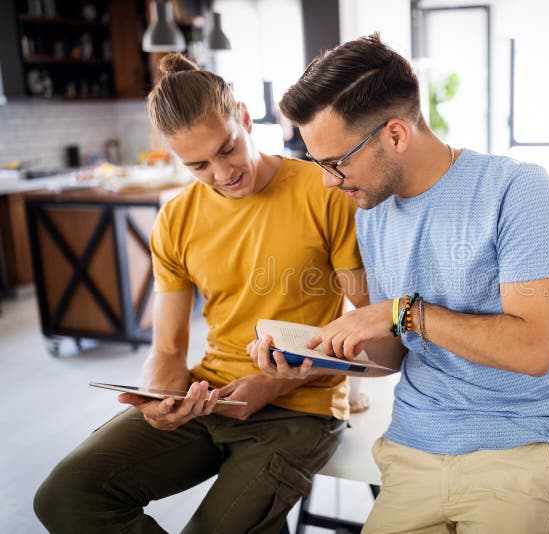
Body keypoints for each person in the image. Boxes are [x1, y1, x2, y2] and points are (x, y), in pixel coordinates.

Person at [250, 34, 549, 533]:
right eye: (318, 164)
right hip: (412, 450)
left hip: (514, 453)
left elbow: (534, 351)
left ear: (396, 135)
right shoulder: (373, 214)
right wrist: (318, 360)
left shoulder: (517, 190)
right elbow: (395, 355)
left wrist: (405, 311)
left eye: (336, 162)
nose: (327, 182)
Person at [34, 53, 367, 533]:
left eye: (228, 149)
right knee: (66, 496)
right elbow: (167, 348)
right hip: (209, 394)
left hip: (300, 409)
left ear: (247, 119)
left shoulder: (325, 192)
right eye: (198, 165)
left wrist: (273, 382)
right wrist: (160, 398)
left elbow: (371, 329)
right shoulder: (175, 219)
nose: (222, 172)